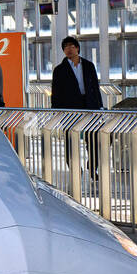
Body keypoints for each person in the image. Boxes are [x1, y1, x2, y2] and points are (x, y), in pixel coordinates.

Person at [51, 36, 103, 175]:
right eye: (66, 47)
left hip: (89, 106)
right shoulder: (59, 70)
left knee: (93, 139)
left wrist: (100, 107)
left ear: (77, 48)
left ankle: (92, 167)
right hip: (69, 108)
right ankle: (75, 169)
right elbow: (56, 91)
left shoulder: (88, 65)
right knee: (70, 140)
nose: (69, 49)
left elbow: (95, 88)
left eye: (72, 46)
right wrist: (56, 110)